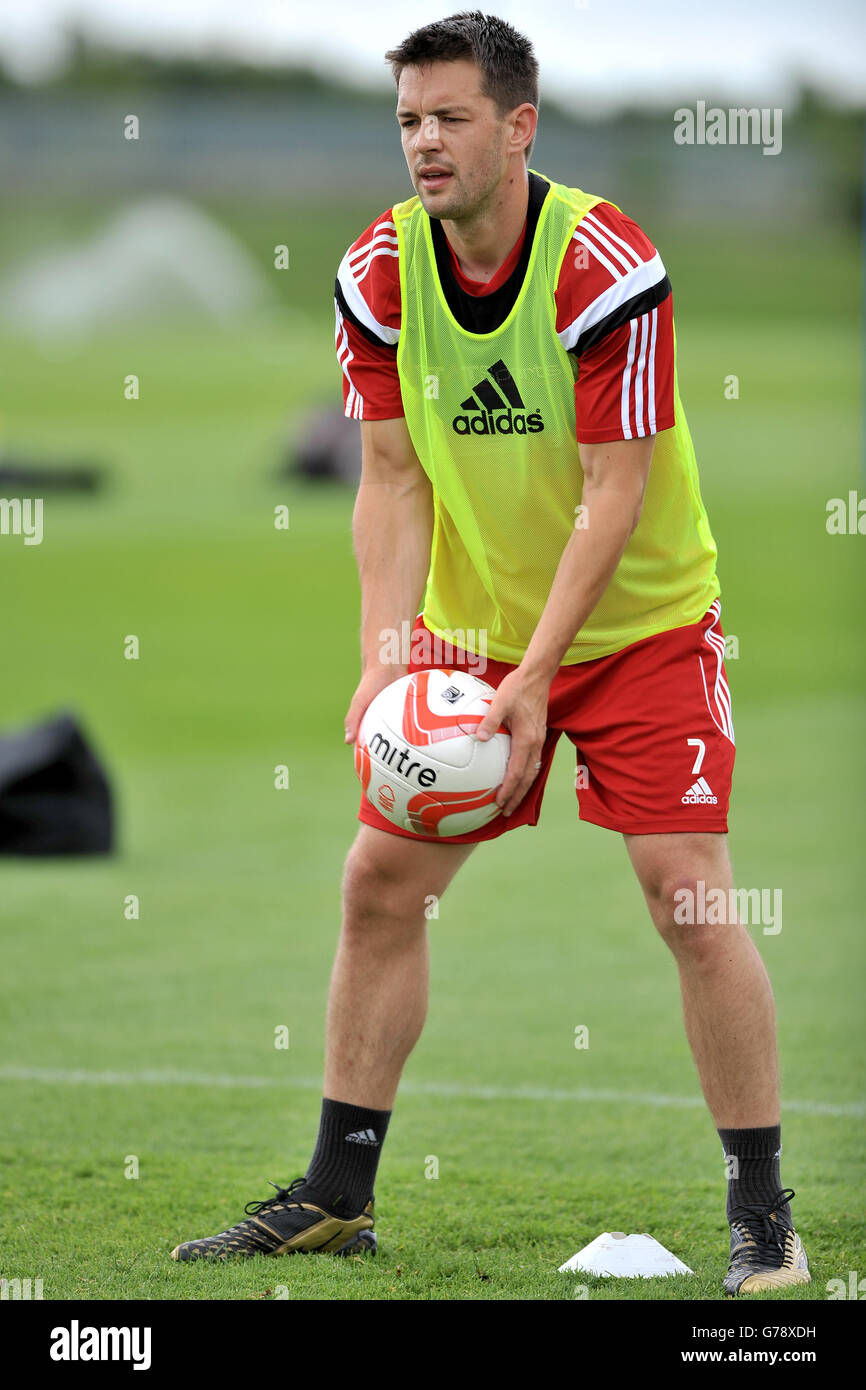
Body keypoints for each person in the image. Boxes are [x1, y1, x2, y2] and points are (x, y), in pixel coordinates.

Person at [172, 10, 808, 1296]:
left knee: (684, 890)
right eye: (407, 119)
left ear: (518, 126)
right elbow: (393, 478)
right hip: (470, 636)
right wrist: (382, 658)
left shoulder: (604, 266)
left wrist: (539, 684)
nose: (423, 142)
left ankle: (760, 1214)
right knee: (376, 884)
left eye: (450, 117)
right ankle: (335, 1198)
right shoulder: (376, 271)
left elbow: (611, 495)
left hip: (640, 625)